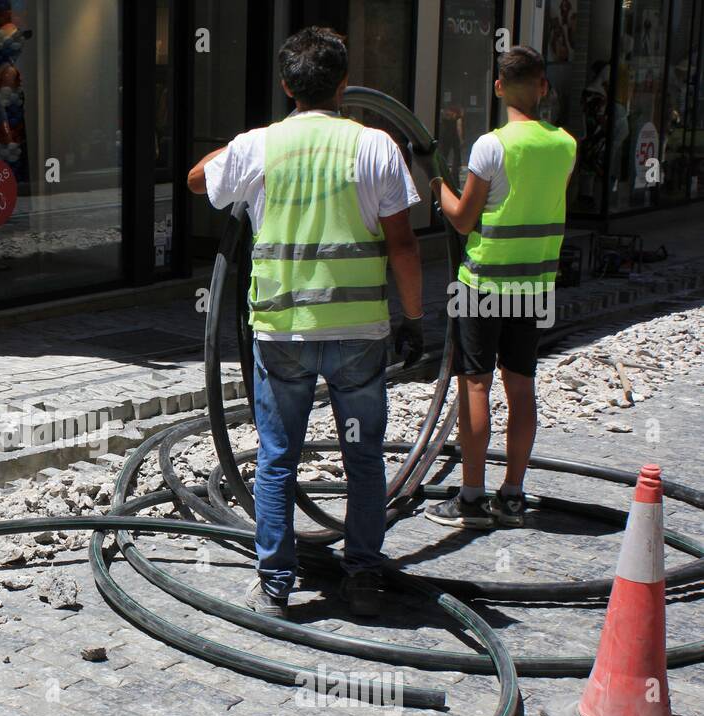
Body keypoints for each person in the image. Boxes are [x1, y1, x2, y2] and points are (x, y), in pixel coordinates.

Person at [188, 26, 426, 618]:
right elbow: (403, 246)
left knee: (276, 459)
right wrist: (414, 319)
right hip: (359, 335)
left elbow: (198, 181)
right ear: (345, 84)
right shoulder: (377, 147)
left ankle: (275, 584)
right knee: (364, 458)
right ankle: (364, 577)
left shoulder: (259, 147)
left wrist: (238, 149)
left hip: (282, 336)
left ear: (285, 85)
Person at [426, 46, 575, 530]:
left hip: (485, 282)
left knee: (475, 382)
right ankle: (512, 495)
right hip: (535, 285)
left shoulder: (491, 146)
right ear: (543, 87)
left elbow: (463, 218)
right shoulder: (565, 145)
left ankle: (471, 498)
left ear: (497, 88)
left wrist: (437, 189)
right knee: (522, 385)